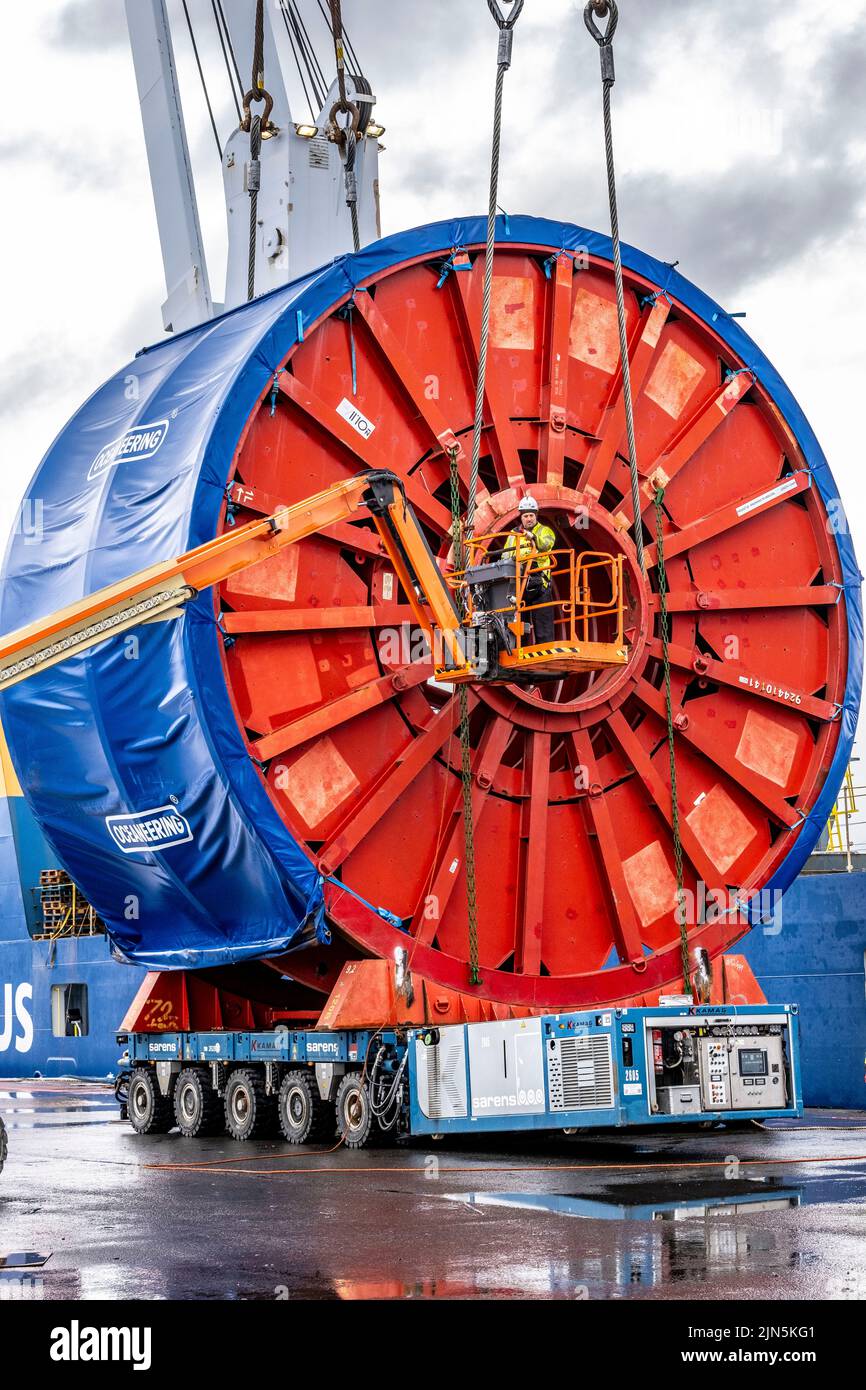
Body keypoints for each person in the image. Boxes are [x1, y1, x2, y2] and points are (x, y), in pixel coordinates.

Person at [504, 496, 557, 644]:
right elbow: (505, 555)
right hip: (519, 582)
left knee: (543, 621)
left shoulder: (544, 531)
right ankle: (522, 649)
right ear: (521, 518)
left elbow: (546, 544)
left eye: (531, 515)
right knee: (521, 621)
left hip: (539, 581)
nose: (528, 519)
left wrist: (533, 537)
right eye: (525, 516)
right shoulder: (512, 535)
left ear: (536, 516)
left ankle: (545, 651)